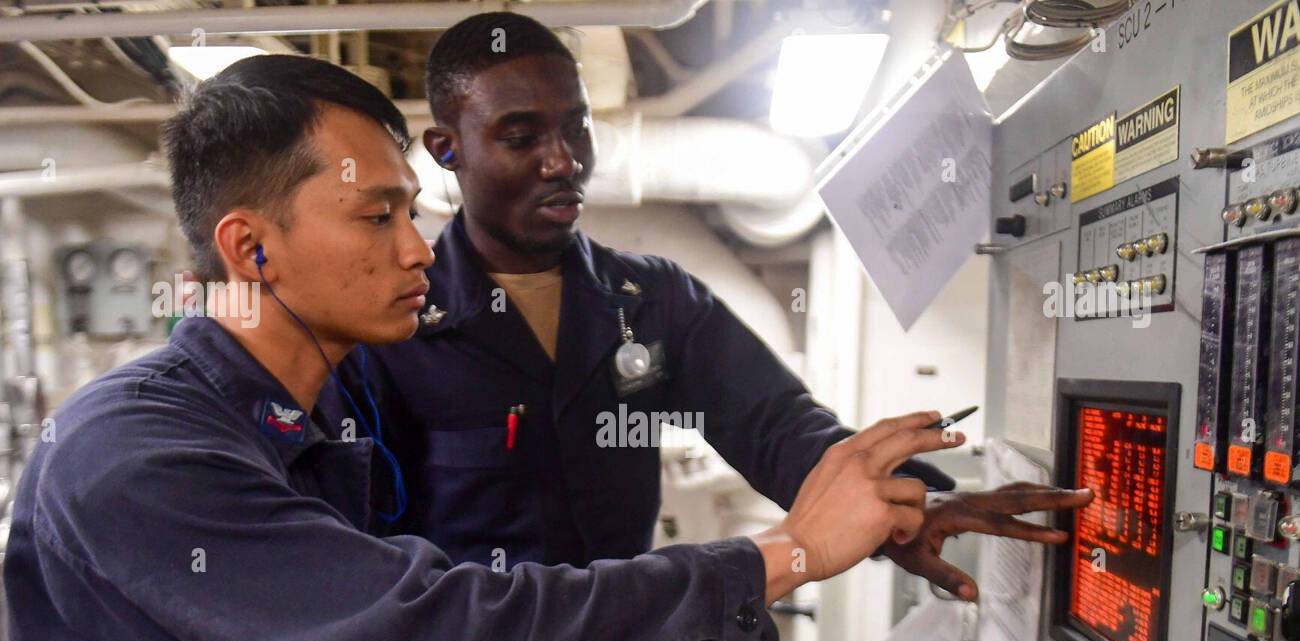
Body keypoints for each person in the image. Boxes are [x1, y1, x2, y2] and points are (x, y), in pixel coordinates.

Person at [4, 54, 964, 641]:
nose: (418, 251)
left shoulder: (316, 435)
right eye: (378, 218)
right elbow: (428, 638)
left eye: (411, 215)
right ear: (251, 249)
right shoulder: (132, 457)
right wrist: (783, 554)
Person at [336, 12, 1090, 607]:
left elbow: (776, 428)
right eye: (521, 135)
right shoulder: (394, 323)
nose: (562, 159)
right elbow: (362, 544)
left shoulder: (652, 300)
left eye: (576, 128)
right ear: (445, 148)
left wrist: (910, 505)